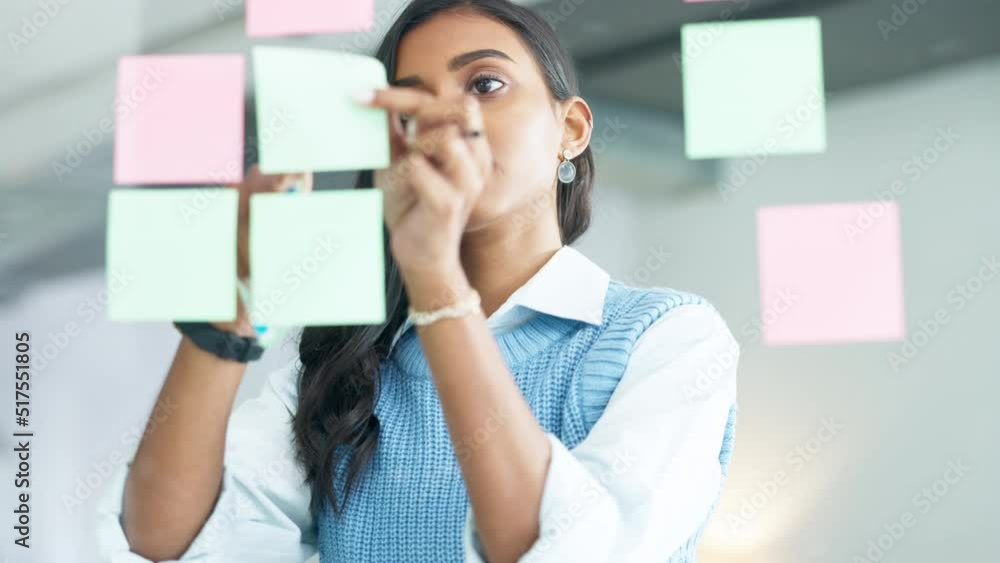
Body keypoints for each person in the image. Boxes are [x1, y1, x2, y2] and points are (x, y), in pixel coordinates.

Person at [96, 1, 739, 561]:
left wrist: (434, 274)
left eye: (485, 84)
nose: (446, 121)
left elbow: (562, 548)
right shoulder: (344, 362)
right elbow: (163, 544)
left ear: (570, 130)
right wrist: (228, 314)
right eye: (410, 105)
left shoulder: (668, 339)